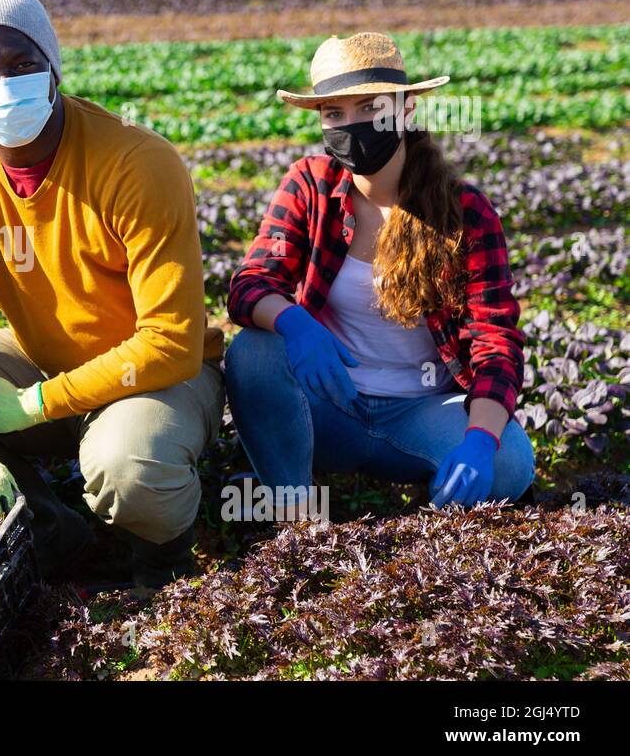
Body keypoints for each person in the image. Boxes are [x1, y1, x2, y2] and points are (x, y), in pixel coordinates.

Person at [0, 0, 225, 588]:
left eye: (23, 64)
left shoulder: (136, 163)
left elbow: (170, 342)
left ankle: (159, 562)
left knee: (129, 464)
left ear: (54, 69)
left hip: (155, 379)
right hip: (42, 361)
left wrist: (33, 405)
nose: (6, 85)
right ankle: (50, 529)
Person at [224, 32, 534, 518]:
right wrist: (295, 324)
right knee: (253, 353)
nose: (353, 126)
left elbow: (495, 339)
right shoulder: (311, 185)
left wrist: (479, 440)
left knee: (512, 461)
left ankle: (439, 505)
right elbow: (250, 284)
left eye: (370, 107)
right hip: (330, 405)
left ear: (405, 109)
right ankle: (295, 507)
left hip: (424, 412)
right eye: (334, 115)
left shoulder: (463, 211)